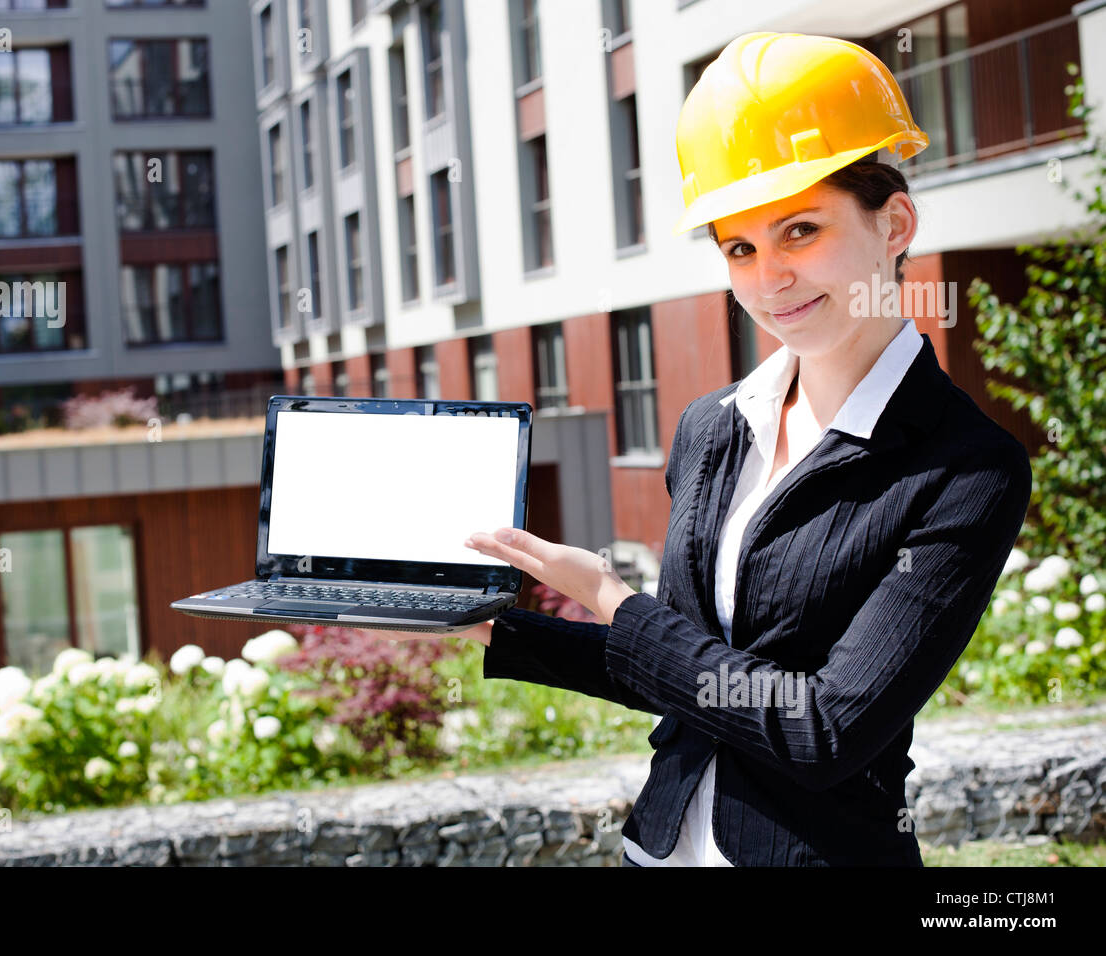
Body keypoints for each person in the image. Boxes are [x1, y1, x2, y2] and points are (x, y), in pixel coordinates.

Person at [362, 31, 1032, 867]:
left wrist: (612, 597)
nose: (769, 279)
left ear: (894, 223)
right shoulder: (714, 427)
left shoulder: (965, 469)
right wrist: (491, 629)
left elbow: (822, 729)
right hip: (662, 849)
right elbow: (686, 667)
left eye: (799, 231)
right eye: (740, 248)